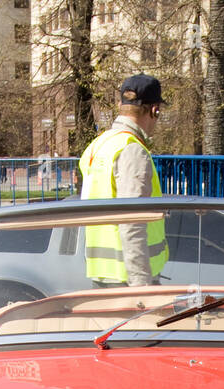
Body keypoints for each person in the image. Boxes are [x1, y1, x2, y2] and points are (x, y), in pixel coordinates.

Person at [78, 74, 169, 287]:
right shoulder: (131, 150)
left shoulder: (99, 145)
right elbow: (132, 222)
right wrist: (141, 287)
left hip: (103, 276)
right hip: (129, 280)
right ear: (155, 110)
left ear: (121, 105)